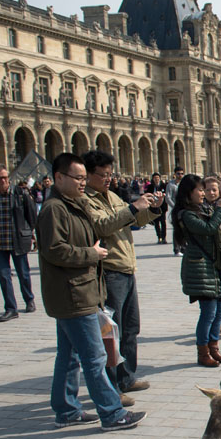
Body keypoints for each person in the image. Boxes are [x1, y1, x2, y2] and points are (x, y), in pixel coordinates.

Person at [37, 152, 148, 431]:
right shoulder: (54, 209)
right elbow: (54, 250)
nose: (83, 183)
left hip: (80, 290)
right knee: (95, 357)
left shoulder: (72, 204)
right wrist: (92, 253)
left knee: (69, 356)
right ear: (59, 177)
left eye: (85, 178)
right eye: (78, 178)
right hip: (74, 294)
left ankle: (66, 410)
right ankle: (112, 414)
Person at [83, 151, 163, 400]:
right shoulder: (87, 200)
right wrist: (132, 207)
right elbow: (102, 225)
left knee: (130, 328)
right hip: (109, 271)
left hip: (127, 268)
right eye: (103, 174)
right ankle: (112, 387)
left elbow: (133, 221)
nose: (108, 179)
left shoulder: (112, 195)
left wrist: (152, 209)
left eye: (110, 174)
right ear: (87, 175)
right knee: (110, 332)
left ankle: (127, 377)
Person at [172, 174, 221, 367]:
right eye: (199, 190)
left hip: (215, 265)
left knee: (219, 311)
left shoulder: (203, 208)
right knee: (208, 312)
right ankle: (203, 352)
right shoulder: (186, 214)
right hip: (200, 267)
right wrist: (220, 210)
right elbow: (209, 228)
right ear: (188, 193)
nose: (203, 193)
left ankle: (214, 349)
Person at [0, 164, 37, 322]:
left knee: (23, 274)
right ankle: (11, 308)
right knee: (4, 276)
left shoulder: (20, 193)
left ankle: (29, 299)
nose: (4, 180)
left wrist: (30, 233)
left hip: (17, 240)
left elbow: (31, 216)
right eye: (0, 178)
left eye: (6, 177)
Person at [165, 167, 184, 255]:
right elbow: (168, 198)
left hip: (184, 208)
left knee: (184, 228)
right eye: (178, 173)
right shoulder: (170, 185)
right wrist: (175, 206)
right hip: (176, 209)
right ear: (175, 174)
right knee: (176, 228)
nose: (180, 175)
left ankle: (183, 248)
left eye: (181, 173)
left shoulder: (184, 184)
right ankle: (176, 249)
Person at [147, 173, 168, 243]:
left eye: (158, 178)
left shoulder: (164, 186)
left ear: (160, 178)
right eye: (155, 178)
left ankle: (164, 237)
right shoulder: (150, 187)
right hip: (154, 206)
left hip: (162, 207)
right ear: (153, 179)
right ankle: (159, 237)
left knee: (163, 222)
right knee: (156, 223)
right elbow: (147, 195)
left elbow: (166, 195)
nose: (156, 179)